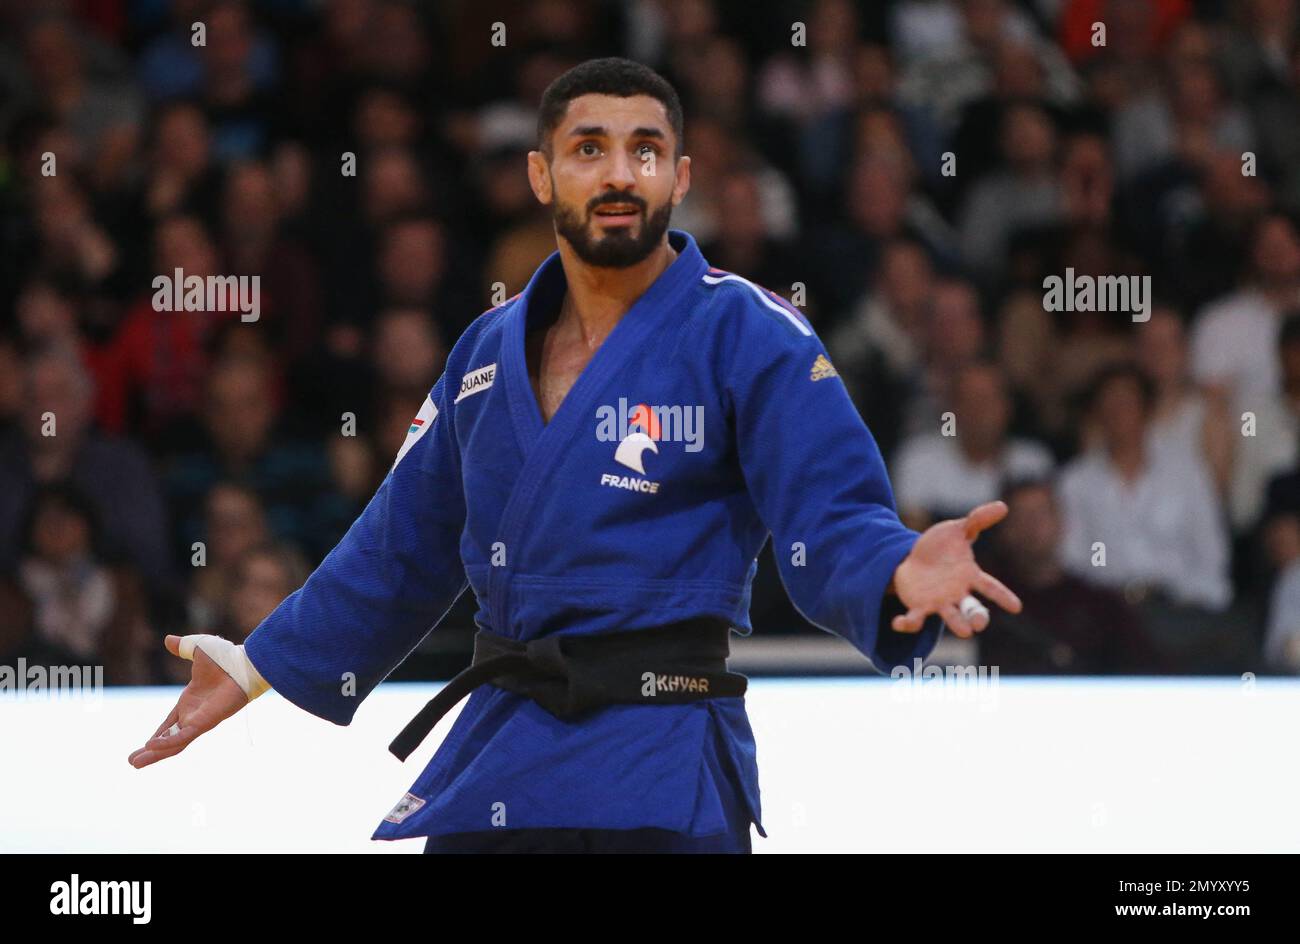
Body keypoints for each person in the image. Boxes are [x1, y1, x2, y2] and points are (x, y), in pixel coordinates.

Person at [127, 58, 1021, 854]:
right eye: (589, 147)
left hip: (662, 759)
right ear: (540, 171)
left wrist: (898, 569)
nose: (620, 172)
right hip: (503, 753)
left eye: (645, 149)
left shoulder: (749, 332)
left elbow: (829, 514)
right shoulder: (485, 352)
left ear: (680, 175)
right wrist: (255, 665)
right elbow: (401, 546)